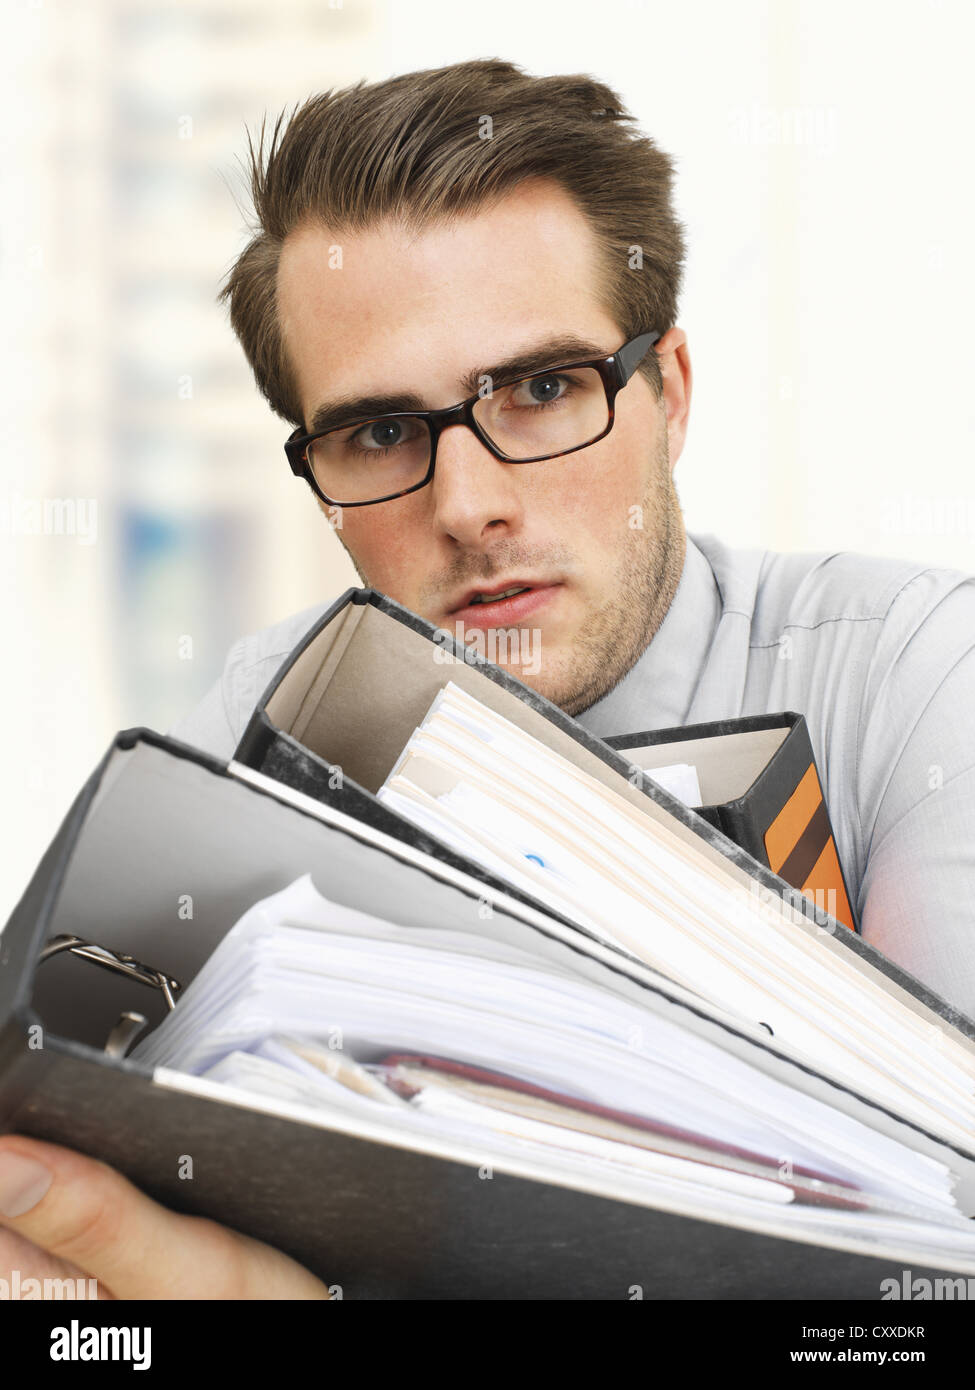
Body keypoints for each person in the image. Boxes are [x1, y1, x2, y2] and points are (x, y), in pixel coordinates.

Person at [2, 58, 973, 1300]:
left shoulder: (919, 672)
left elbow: (952, 1237)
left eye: (543, 388)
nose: (471, 507)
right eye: (380, 433)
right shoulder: (245, 728)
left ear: (668, 395)